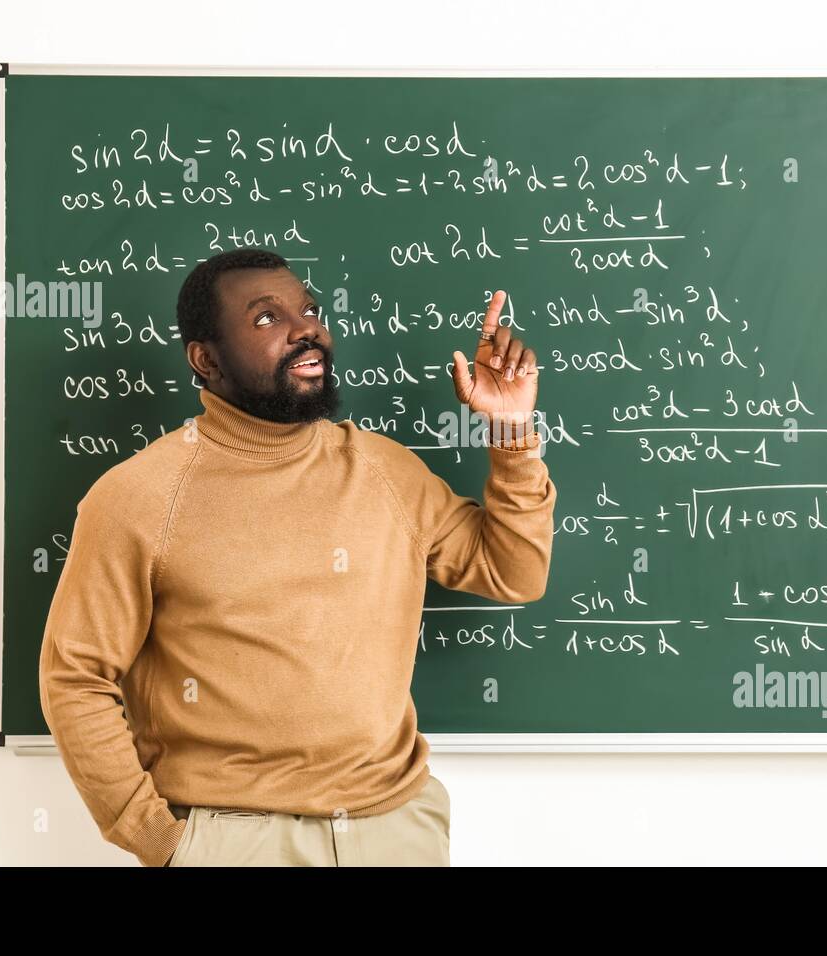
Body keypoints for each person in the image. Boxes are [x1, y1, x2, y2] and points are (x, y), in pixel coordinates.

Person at [38, 248, 556, 866]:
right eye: (265, 319)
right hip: (233, 840)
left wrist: (510, 435)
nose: (305, 327)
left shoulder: (386, 473)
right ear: (207, 360)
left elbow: (515, 573)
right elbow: (75, 676)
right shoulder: (139, 498)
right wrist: (159, 839)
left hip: (392, 831)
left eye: (309, 309)